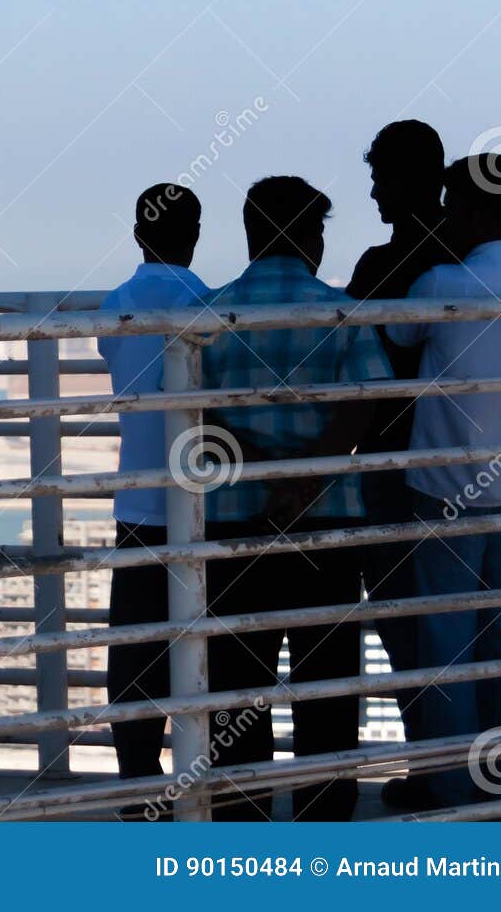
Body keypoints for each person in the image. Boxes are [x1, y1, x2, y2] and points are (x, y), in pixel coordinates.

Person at [197, 176, 393, 820]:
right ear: (313, 237)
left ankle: (240, 832)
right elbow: (364, 407)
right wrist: (307, 481)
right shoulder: (342, 314)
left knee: (233, 693)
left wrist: (264, 476)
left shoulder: (207, 320)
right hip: (327, 528)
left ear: (252, 234)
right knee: (328, 691)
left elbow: (194, 417)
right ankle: (322, 830)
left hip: (234, 527)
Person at [385, 153, 501, 810]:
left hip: (444, 494)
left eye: (453, 205)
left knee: (446, 644)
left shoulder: (438, 285)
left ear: (476, 211)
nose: (445, 217)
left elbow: (398, 335)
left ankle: (450, 785)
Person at [343, 120, 451, 805]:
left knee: (406, 627)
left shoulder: (379, 269)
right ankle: (480, 769)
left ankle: (432, 768)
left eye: (382, 174)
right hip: (466, 466)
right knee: (469, 623)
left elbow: (344, 358)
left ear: (413, 178)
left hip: (388, 466)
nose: (376, 190)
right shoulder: (469, 260)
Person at [96, 184, 208, 797]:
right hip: (201, 505)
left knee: (134, 657)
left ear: (137, 233)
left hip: (137, 505)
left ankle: (139, 785)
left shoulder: (117, 304)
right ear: (195, 234)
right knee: (199, 651)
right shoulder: (211, 304)